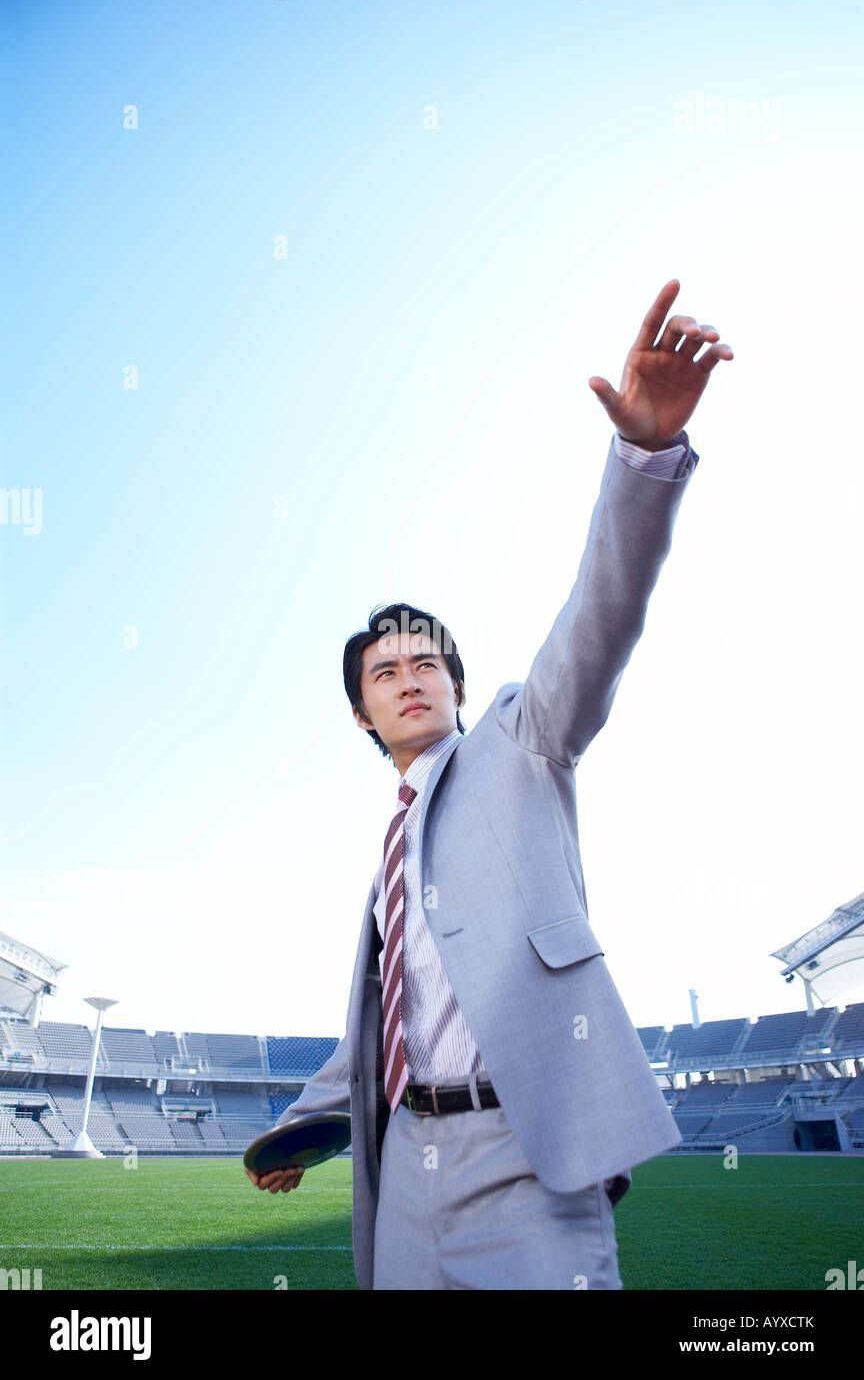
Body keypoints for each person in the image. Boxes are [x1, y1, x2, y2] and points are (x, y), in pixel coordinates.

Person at [246, 279, 733, 1289]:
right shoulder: (391, 859)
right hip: (405, 1181)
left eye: (427, 662)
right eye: (385, 671)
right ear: (362, 715)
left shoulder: (523, 739)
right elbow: (384, 1032)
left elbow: (602, 615)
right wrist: (298, 1128)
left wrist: (643, 455)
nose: (409, 676)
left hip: (527, 1163)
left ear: (461, 689)